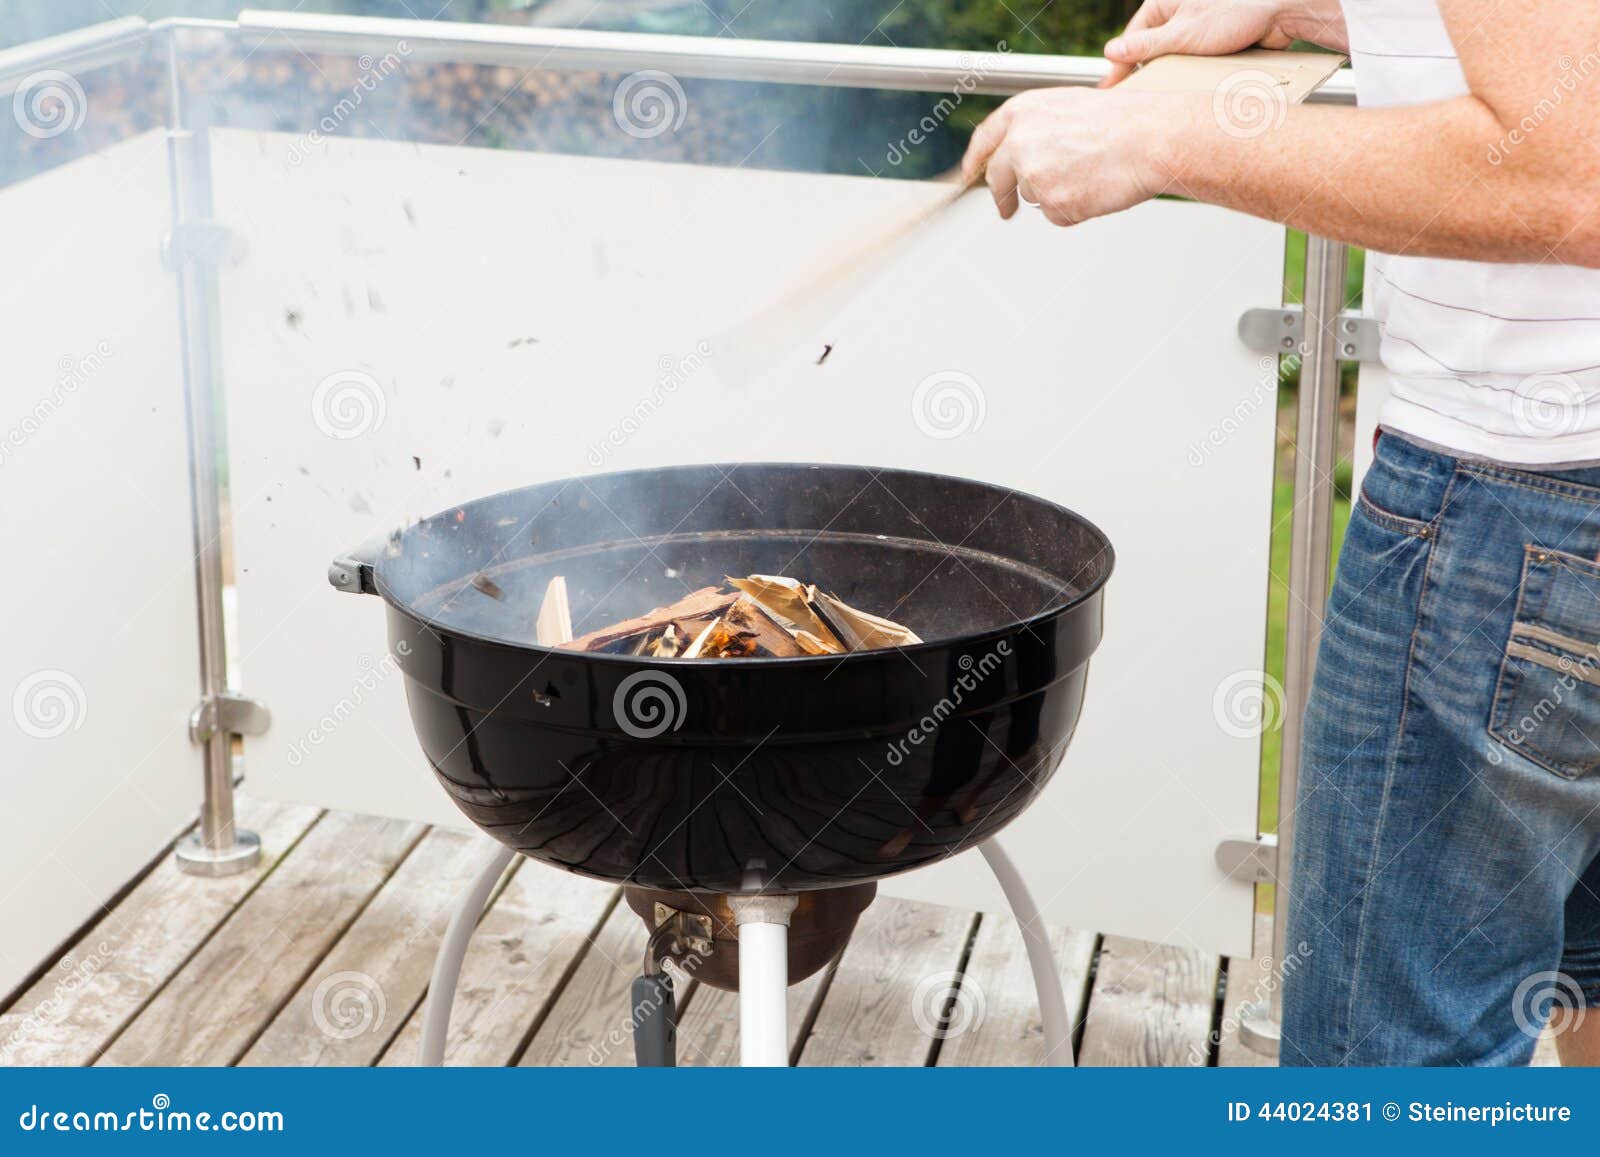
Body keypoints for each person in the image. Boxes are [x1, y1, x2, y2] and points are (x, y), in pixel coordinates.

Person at [963, 0, 1600, 1066]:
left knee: (1388, 1065)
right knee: (1577, 983)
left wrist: (1160, 136)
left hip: (1513, 523)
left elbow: (1563, 168)